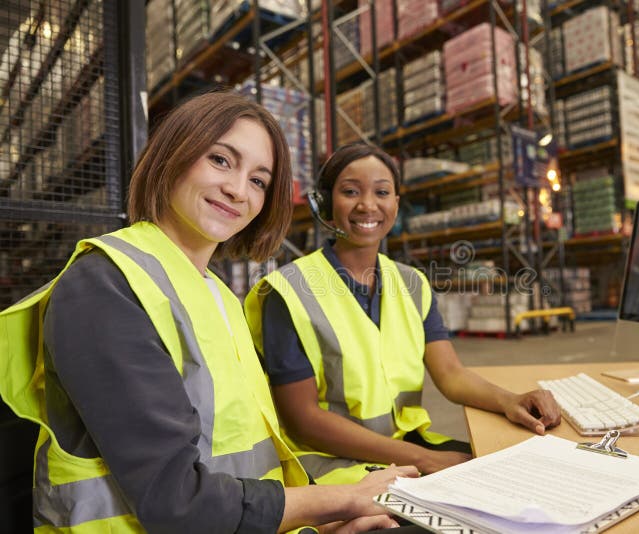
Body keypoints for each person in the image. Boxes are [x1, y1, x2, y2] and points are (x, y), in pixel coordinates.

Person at [0, 93, 418, 533]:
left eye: (259, 181)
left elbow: (240, 464)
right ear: (173, 154)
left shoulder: (215, 293)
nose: (238, 189)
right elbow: (177, 504)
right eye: (220, 160)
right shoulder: (105, 287)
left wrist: (322, 524)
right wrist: (342, 497)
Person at [244, 143, 561, 485]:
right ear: (326, 204)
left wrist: (509, 400)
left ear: (396, 203)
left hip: (400, 449)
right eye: (350, 191)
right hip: (330, 468)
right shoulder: (287, 292)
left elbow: (451, 374)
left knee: (517, 478)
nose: (368, 205)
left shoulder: (412, 283)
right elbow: (302, 420)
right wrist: (425, 460)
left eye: (382, 192)